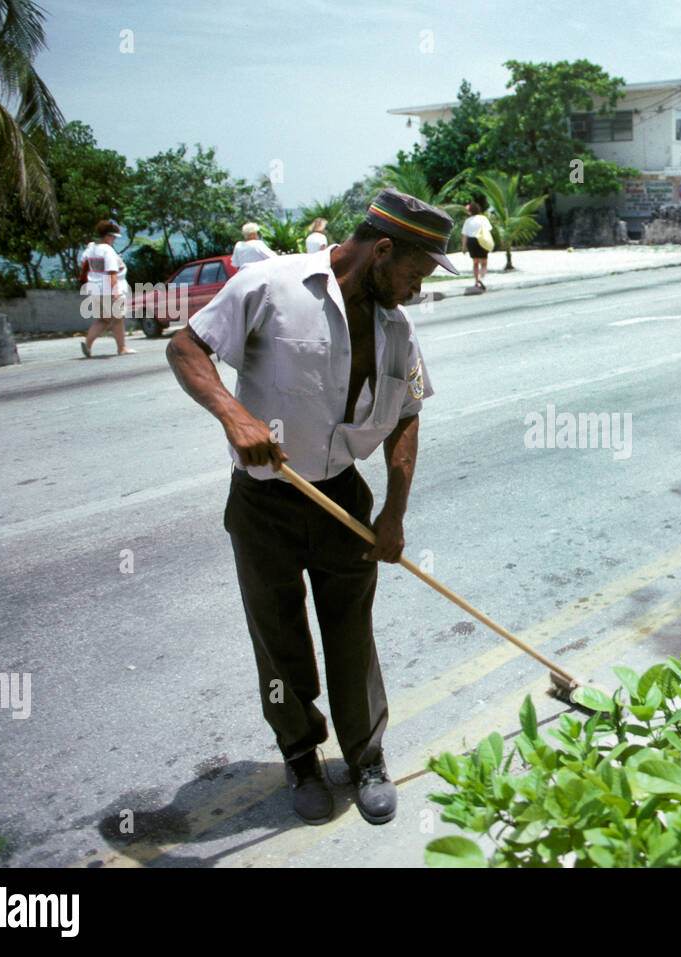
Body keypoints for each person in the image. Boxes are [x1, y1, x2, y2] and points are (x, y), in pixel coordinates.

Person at [165, 188, 456, 827]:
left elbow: (408, 414)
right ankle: (300, 754)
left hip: (343, 497)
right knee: (279, 637)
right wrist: (234, 415)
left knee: (351, 634)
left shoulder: (396, 328)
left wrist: (394, 514)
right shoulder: (270, 286)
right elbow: (186, 349)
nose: (417, 287)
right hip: (266, 501)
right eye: (417, 270)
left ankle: (366, 757)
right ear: (383, 250)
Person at [81, 220, 136, 357]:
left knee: (104, 319)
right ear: (107, 236)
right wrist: (116, 292)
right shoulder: (108, 251)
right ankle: (122, 348)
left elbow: (83, 265)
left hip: (95, 289)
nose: (113, 240)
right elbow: (112, 273)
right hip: (109, 290)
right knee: (118, 318)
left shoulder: (91, 249)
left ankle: (87, 343)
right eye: (113, 237)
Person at [461, 202, 491, 290]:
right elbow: (488, 231)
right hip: (481, 240)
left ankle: (476, 281)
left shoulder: (468, 221)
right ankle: (481, 279)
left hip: (471, 241)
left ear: (470, 211)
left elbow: (465, 236)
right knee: (484, 263)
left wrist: (463, 247)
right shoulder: (483, 219)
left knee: (475, 262)